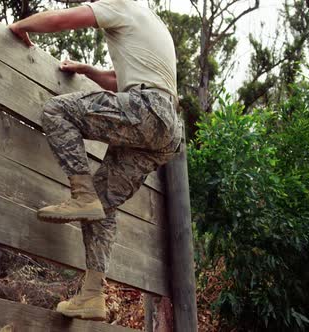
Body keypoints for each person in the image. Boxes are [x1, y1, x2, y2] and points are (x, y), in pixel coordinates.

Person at [9, 0, 182, 321]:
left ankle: (81, 194)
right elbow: (122, 81)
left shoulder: (121, 4)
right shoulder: (154, 23)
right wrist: (89, 71)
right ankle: (92, 294)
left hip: (148, 109)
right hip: (166, 131)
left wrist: (21, 26)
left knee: (57, 110)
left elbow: (63, 20)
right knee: (102, 208)